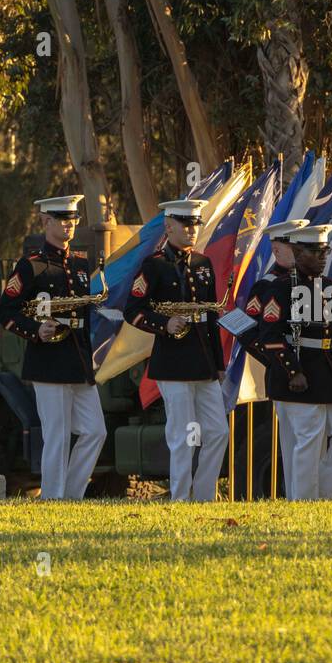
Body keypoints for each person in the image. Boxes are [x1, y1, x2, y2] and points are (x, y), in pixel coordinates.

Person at [0, 195, 107, 499]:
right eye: (62, 219)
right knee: (57, 435)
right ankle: (54, 497)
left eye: (73, 219)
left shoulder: (80, 263)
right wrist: (35, 330)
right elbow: (5, 311)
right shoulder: (31, 265)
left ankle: (71, 493)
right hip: (48, 358)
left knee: (96, 430)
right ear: (46, 222)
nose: (69, 225)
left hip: (79, 359)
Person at [123, 198, 228, 502]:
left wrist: (218, 364)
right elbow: (133, 309)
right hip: (172, 362)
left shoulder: (202, 263)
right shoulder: (154, 265)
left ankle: (204, 495)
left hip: (204, 363)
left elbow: (210, 318)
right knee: (182, 435)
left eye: (195, 224)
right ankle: (181, 497)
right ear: (169, 226)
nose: (191, 229)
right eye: (185, 224)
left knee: (218, 432)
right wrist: (163, 324)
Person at [257, 223, 332, 500]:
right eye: (316, 251)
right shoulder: (279, 288)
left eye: (325, 250)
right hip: (300, 371)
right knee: (309, 440)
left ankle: (326, 493)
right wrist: (292, 372)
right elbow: (270, 336)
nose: (323, 256)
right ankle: (304, 501)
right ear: (298, 252)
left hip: (331, 371)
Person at [217, 218, 308, 494]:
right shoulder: (266, 286)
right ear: (278, 250)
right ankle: (297, 495)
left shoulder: (310, 282)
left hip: (316, 367)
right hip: (283, 371)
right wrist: (277, 361)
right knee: (294, 440)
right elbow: (248, 331)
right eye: (293, 246)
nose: (301, 250)